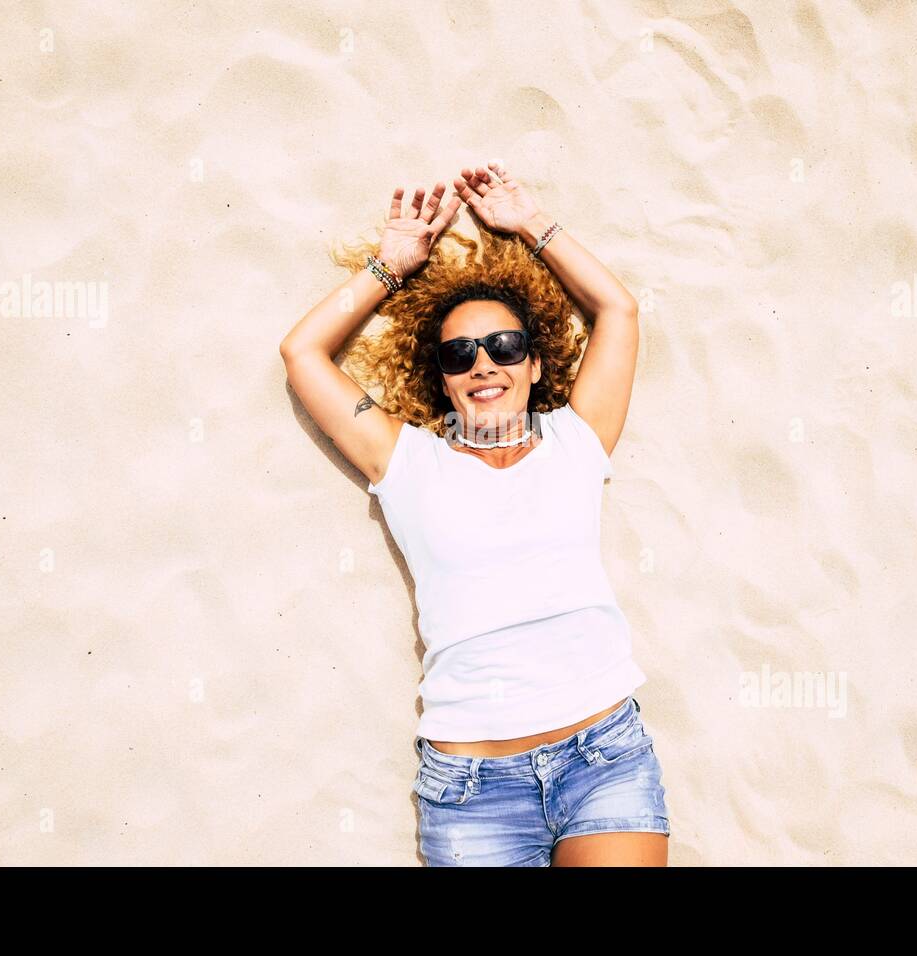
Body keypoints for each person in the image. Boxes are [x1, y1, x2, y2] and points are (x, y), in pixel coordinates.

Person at [280, 161, 669, 866]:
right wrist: (389, 265)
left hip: (602, 757)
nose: (483, 363)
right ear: (443, 376)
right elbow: (303, 351)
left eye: (505, 346)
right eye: (460, 354)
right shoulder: (407, 462)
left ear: (536, 365)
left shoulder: (578, 439)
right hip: (472, 788)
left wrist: (531, 225)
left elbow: (619, 310)